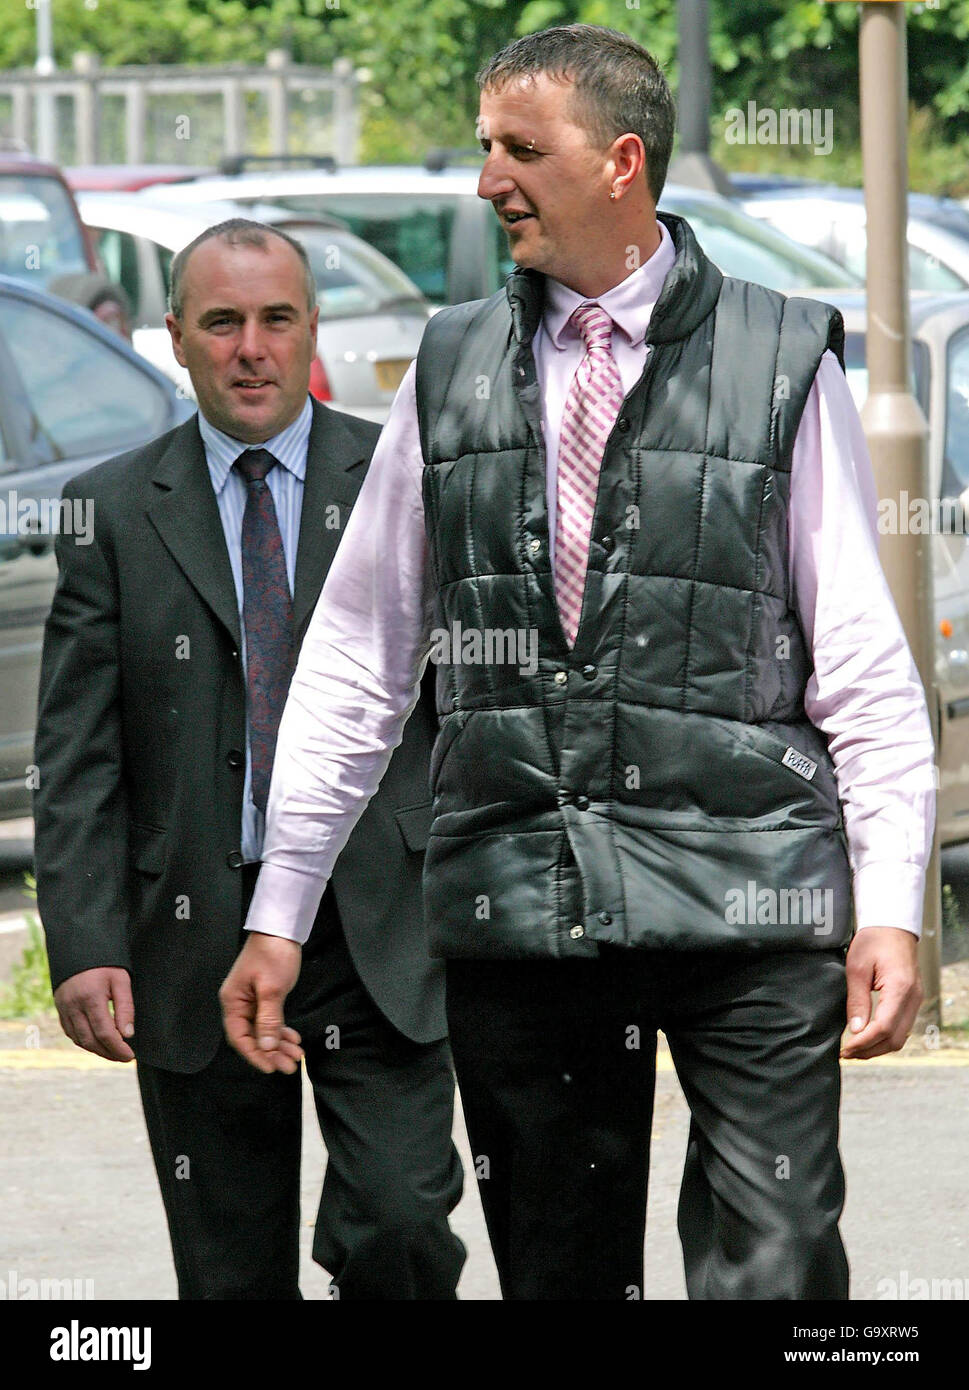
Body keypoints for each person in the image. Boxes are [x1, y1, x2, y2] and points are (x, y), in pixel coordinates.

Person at [221, 26, 935, 1301]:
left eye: (518, 149)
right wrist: (282, 908)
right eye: (485, 146)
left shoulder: (781, 359)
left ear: (619, 162)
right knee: (560, 1276)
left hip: (752, 900)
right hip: (525, 902)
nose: (489, 178)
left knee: (770, 1269)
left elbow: (863, 665)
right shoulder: (448, 367)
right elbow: (359, 662)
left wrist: (892, 900)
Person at [32, 218, 465, 1300]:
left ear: (313, 326)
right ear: (173, 337)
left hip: (377, 926)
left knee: (403, 1226)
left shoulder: (401, 480)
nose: (252, 347)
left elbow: (462, 713)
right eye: (221, 323)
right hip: (192, 933)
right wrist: (83, 942)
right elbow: (79, 757)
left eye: (277, 318)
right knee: (228, 1273)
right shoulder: (113, 512)